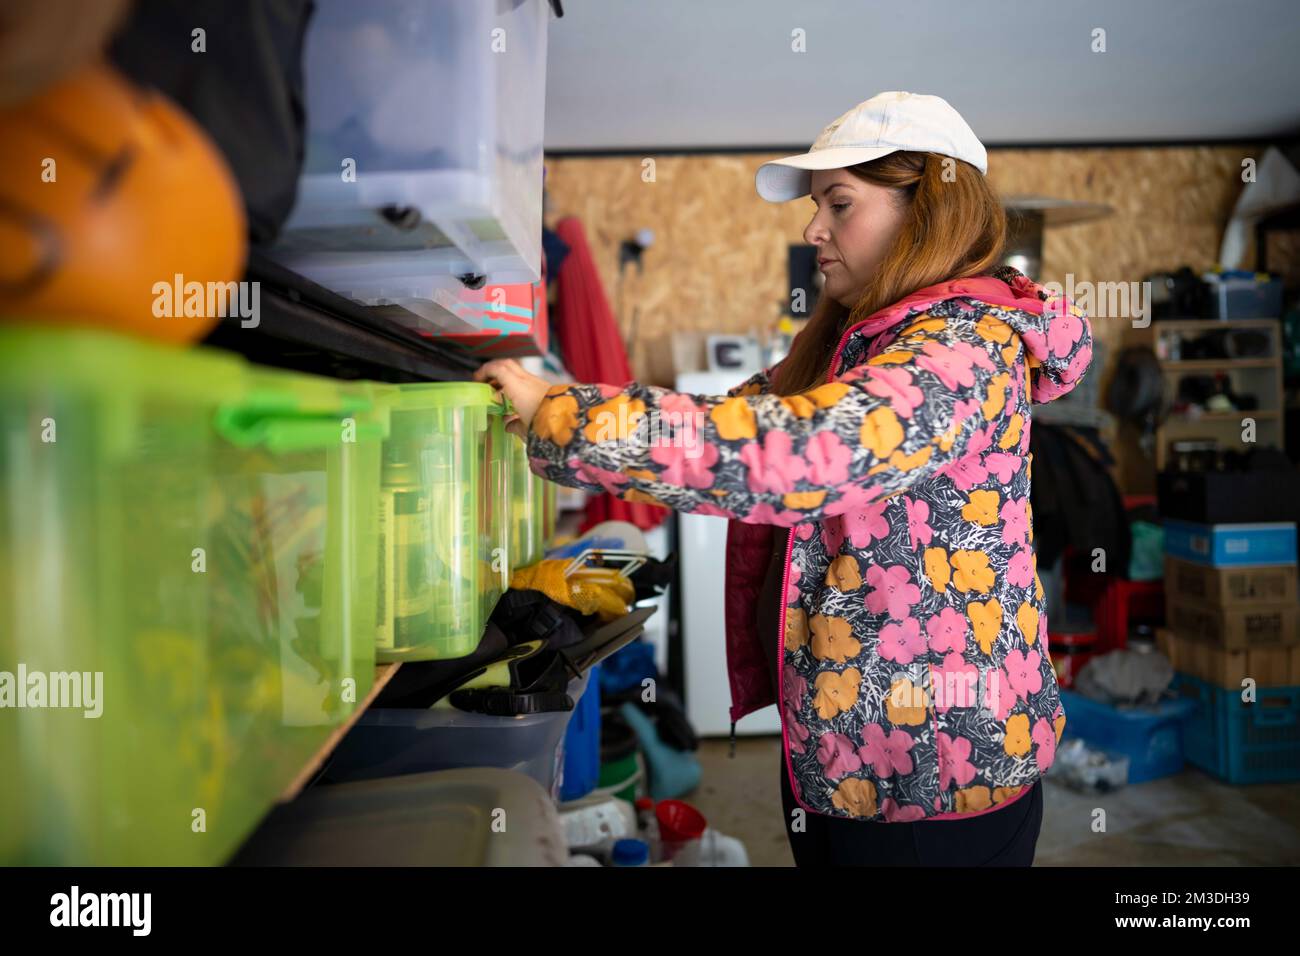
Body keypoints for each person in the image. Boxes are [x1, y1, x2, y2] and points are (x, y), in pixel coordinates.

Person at [476, 91, 1093, 866]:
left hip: (936, 770)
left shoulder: (965, 346)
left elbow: (801, 451)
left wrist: (569, 416)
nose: (813, 229)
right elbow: (729, 423)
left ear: (929, 209)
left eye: (840, 203)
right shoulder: (862, 342)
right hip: (847, 748)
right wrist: (560, 417)